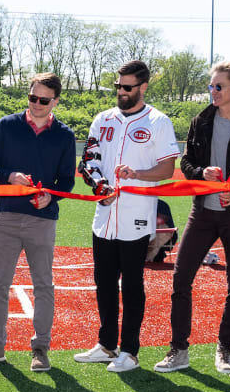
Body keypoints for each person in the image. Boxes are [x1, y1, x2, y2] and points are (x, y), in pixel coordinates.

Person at [151, 61, 230, 375]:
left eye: (219, 86)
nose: (213, 91)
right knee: (180, 279)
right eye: (211, 86)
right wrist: (201, 172)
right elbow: (187, 162)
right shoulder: (200, 122)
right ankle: (179, 350)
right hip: (202, 212)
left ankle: (225, 349)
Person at [73, 60, 181, 373]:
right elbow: (89, 162)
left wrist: (136, 174)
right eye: (118, 86)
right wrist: (99, 184)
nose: (121, 91)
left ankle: (130, 352)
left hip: (136, 216)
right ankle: (106, 345)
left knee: (132, 285)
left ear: (143, 87)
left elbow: (166, 169)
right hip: (104, 216)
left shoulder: (158, 121)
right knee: (104, 282)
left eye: (127, 87)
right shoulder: (102, 119)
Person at [0, 72, 76, 373]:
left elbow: (67, 182)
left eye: (44, 99)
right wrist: (9, 176)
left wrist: (52, 197)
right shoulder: (7, 126)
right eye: (33, 97)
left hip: (42, 220)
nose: (37, 104)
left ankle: (41, 348)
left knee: (43, 285)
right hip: (5, 216)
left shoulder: (65, 136)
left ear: (55, 100)